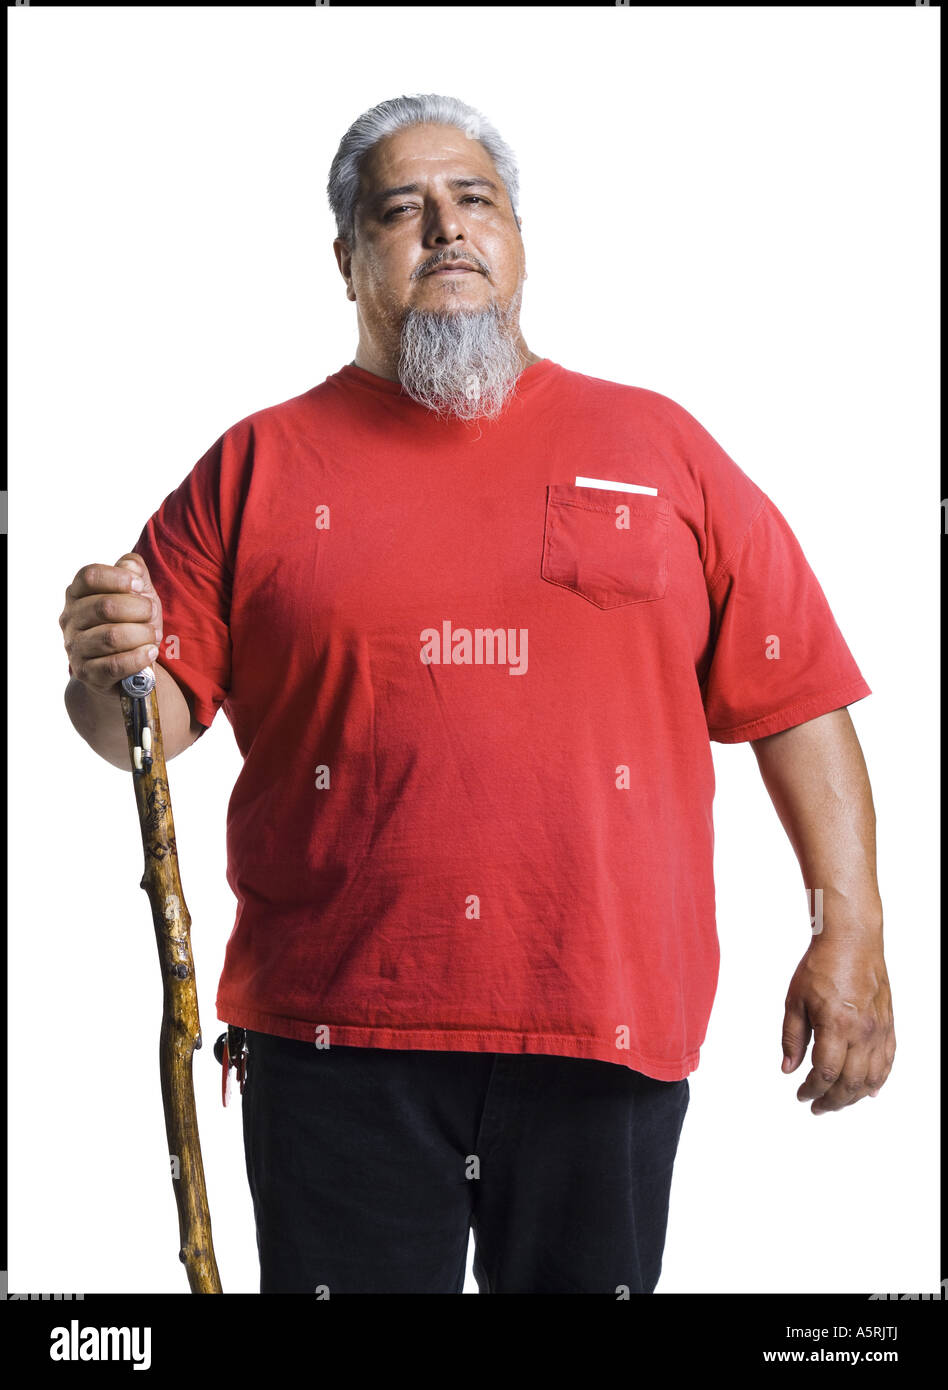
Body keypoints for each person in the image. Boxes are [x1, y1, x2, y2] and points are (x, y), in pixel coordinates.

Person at [60, 93, 894, 1295]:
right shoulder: (255, 466)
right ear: (346, 261)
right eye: (401, 209)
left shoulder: (660, 447)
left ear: (518, 239)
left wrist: (849, 931)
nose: (447, 227)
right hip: (332, 1038)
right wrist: (107, 667)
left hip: (604, 1027)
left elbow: (799, 694)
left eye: (475, 201)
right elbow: (142, 727)